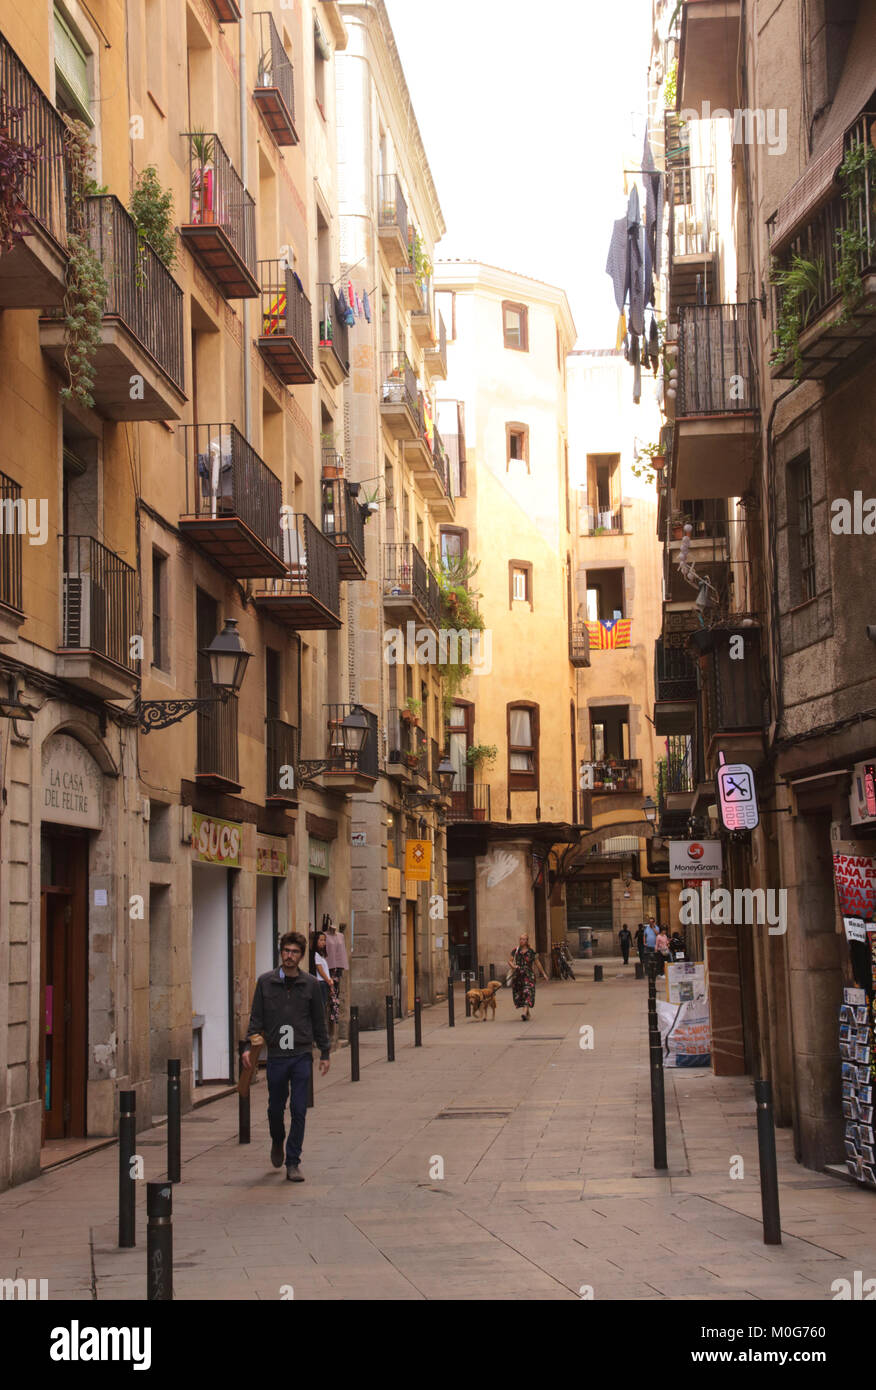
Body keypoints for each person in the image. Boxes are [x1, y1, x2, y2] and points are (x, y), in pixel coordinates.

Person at [242, 931, 330, 1183]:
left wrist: (324, 1052)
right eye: (286, 951)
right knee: (275, 1108)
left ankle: (293, 1162)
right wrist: (247, 1046)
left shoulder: (310, 984)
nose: (290, 956)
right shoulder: (266, 982)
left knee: (299, 1109)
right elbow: (256, 1018)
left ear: (301, 956)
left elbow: (318, 1020)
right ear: (281, 952)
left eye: (295, 952)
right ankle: (277, 1139)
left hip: (301, 1053)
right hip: (277, 1055)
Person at [508, 932, 548, 1021]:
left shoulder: (531, 952)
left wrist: (544, 974)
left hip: (528, 975)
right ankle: (527, 1013)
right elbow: (510, 961)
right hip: (518, 976)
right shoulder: (515, 950)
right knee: (521, 994)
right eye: (520, 939)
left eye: (523, 939)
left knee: (527, 992)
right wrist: (513, 966)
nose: (521, 941)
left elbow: (538, 963)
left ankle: (524, 1012)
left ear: (527, 941)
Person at [311, 929, 338, 1031]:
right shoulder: (316, 955)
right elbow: (320, 970)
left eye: (324, 940)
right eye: (321, 940)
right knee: (321, 1008)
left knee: (324, 1007)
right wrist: (328, 980)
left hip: (324, 983)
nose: (323, 942)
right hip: (321, 983)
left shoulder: (321, 955)